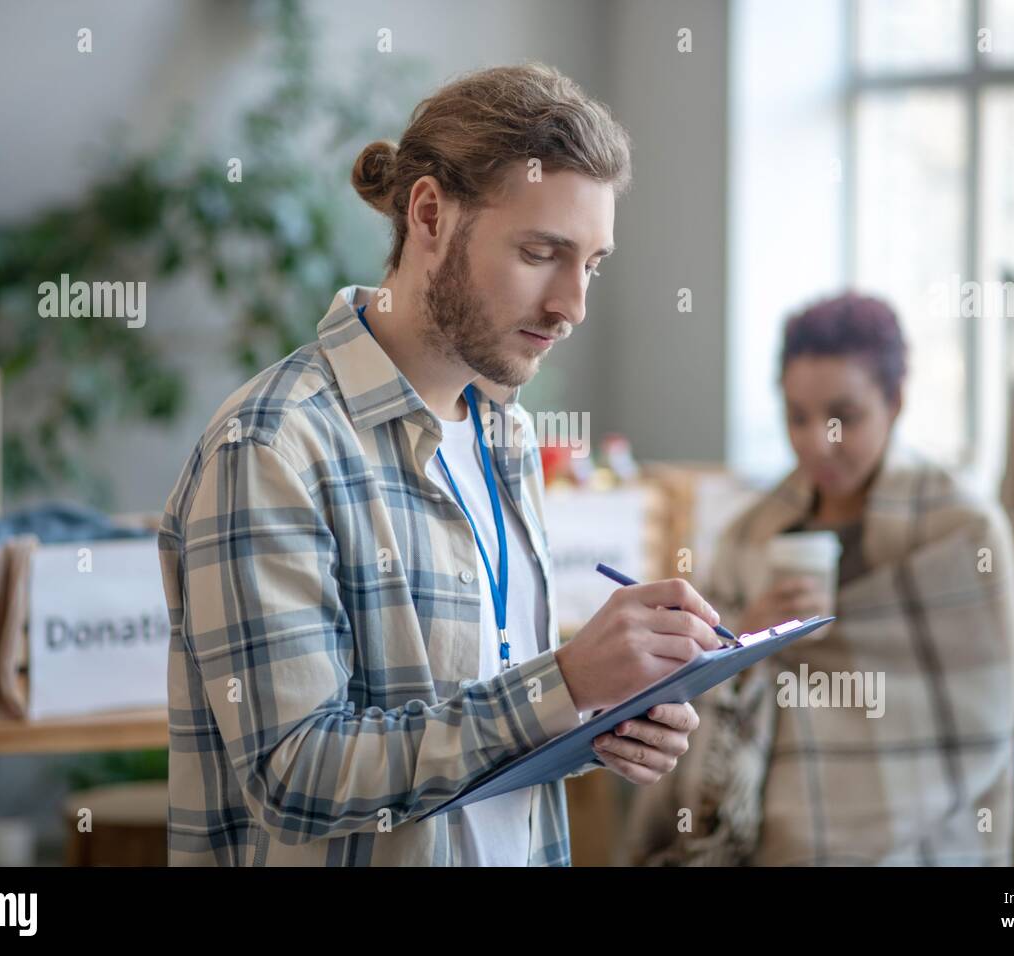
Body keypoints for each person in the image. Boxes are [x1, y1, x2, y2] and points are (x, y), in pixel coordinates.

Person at [158, 63, 720, 867]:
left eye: (591, 264)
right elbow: (295, 775)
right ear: (429, 214)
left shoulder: (503, 434)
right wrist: (559, 683)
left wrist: (598, 716)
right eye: (540, 252)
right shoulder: (274, 446)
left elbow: (476, 713)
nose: (573, 306)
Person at [623, 293, 1014, 866]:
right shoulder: (750, 535)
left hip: (922, 841)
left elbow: (978, 718)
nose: (818, 442)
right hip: (769, 833)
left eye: (845, 417)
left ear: (896, 401)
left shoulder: (961, 532)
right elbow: (692, 694)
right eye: (798, 418)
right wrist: (746, 643)